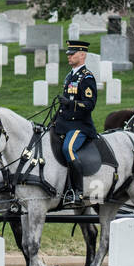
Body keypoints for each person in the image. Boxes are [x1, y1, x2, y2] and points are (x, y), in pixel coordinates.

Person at [52, 40, 98, 204]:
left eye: (72, 54)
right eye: (69, 54)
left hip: (80, 125)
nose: (69, 57)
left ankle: (78, 191)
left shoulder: (87, 77)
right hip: (65, 123)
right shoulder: (70, 76)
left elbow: (89, 105)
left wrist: (70, 103)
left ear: (82, 55)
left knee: (68, 148)